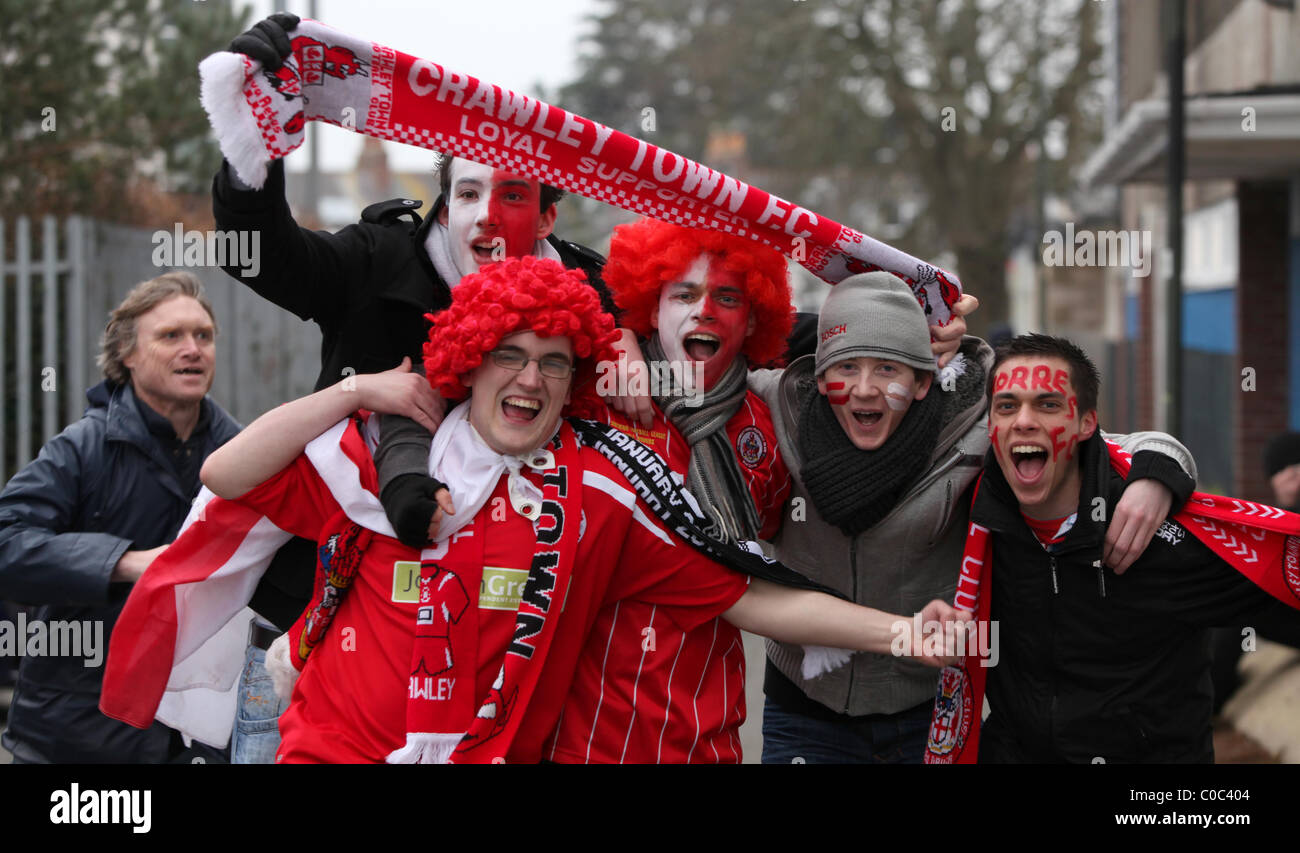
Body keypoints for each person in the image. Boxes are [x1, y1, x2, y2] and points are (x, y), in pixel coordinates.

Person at [178, 256, 967, 763]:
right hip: (330, 750)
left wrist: (901, 632)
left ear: (573, 381)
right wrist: (354, 389)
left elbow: (748, 593)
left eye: (554, 363)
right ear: (471, 360)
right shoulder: (380, 455)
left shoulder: (601, 489)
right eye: (510, 355)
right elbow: (227, 469)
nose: (531, 378)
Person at [748, 272, 1193, 764]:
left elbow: (1104, 445)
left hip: (927, 714)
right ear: (819, 376)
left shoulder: (975, 423)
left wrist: (1157, 475)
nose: (865, 389)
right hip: (804, 713)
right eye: (846, 367)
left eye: (889, 369)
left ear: (921, 382)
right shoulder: (776, 404)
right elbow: (691, 358)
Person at [975, 334, 1298, 763]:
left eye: (1049, 404)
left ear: (1087, 424)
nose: (1024, 421)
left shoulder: (1168, 541)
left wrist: (1162, 463)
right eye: (1007, 406)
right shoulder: (974, 522)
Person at [0, 272, 239, 763]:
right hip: (74, 741)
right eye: (171, 336)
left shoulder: (242, 454)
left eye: (204, 336)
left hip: (196, 738)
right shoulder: (81, 449)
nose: (193, 349)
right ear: (127, 355)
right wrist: (124, 563)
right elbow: (8, 544)